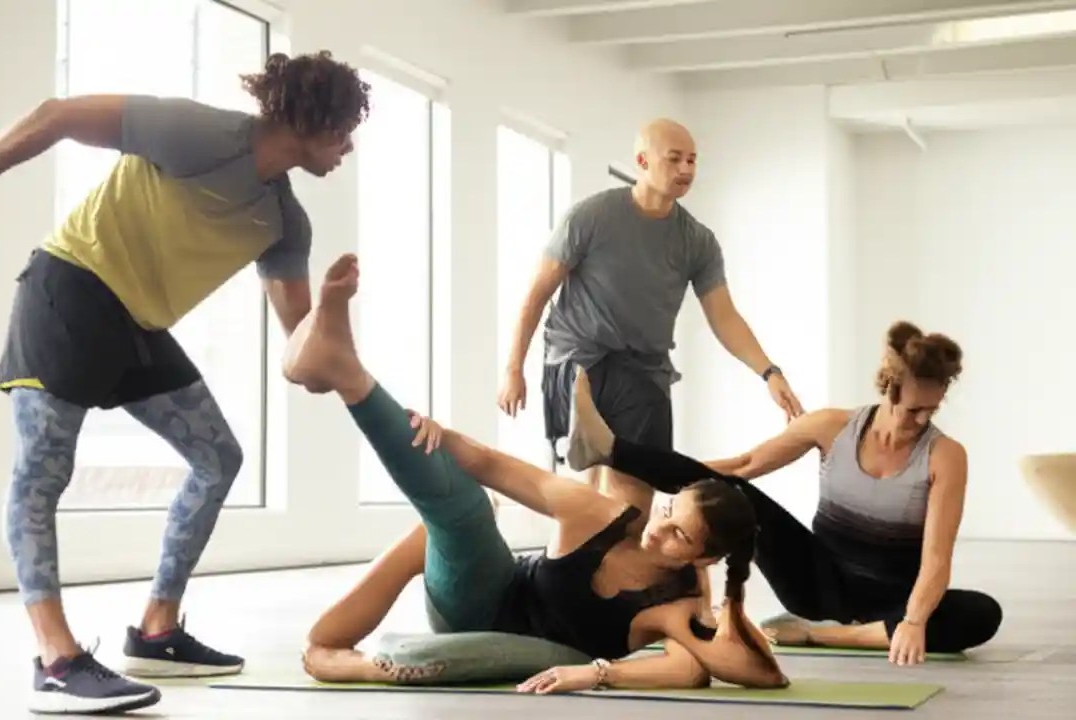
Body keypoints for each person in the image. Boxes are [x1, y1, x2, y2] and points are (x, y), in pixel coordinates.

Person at [0, 51, 371, 714]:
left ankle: (158, 629)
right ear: (309, 119)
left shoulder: (283, 220)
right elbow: (59, 116)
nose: (348, 147)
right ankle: (57, 661)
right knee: (43, 469)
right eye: (342, 130)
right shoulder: (199, 133)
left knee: (219, 459)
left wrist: (332, 312)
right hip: (70, 288)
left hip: (137, 324)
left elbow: (300, 350)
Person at [284, 254, 789, 693]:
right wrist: (441, 435)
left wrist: (598, 673)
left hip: (493, 631)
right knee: (463, 511)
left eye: (679, 534)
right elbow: (490, 464)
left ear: (704, 556)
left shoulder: (676, 602)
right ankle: (348, 376)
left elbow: (749, 674)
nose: (659, 528)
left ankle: (349, 657)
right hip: (485, 589)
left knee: (455, 519)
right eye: (668, 509)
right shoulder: (600, 515)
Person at [567, 320, 1004, 667]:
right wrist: (658, 476)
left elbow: (936, 559)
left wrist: (912, 620)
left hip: (891, 596)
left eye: (932, 409)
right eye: (913, 409)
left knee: (982, 614)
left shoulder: (945, 456)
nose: (921, 420)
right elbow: (743, 466)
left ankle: (822, 634)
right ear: (889, 387)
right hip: (817, 583)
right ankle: (607, 448)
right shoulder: (831, 426)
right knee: (739, 492)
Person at [497, 118, 804, 525]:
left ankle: (611, 508)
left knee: (633, 503)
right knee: (591, 488)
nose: (686, 170)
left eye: (693, 160)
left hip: (645, 368)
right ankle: (585, 440)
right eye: (675, 159)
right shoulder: (591, 217)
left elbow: (724, 315)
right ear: (642, 161)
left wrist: (769, 372)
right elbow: (536, 294)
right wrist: (513, 369)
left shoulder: (697, 241)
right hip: (578, 353)